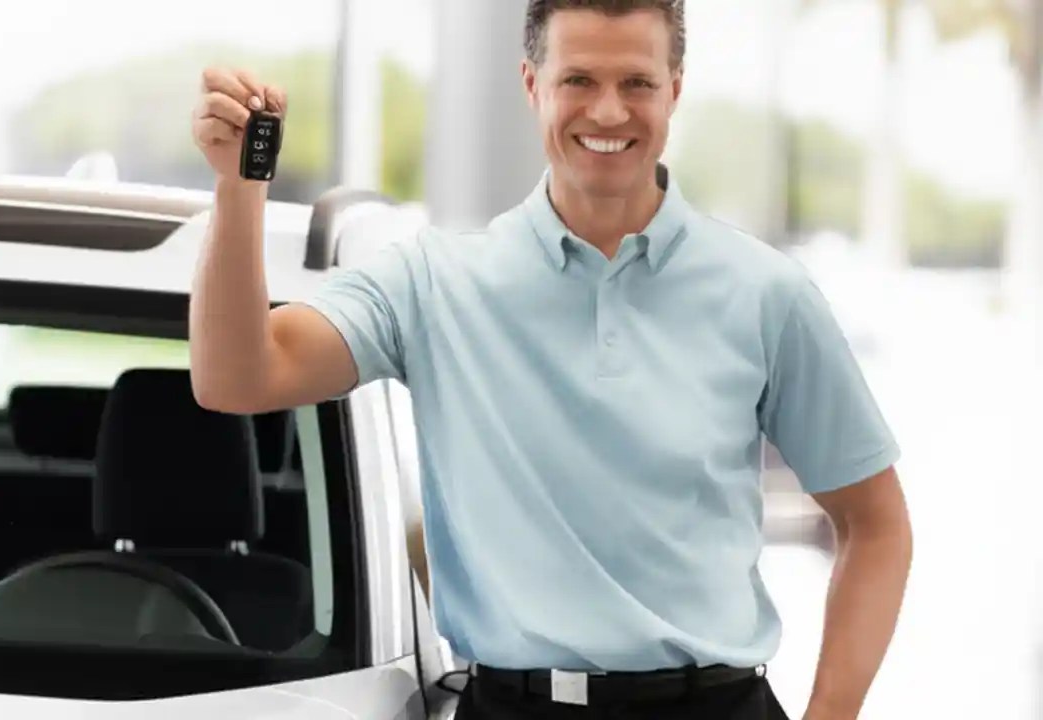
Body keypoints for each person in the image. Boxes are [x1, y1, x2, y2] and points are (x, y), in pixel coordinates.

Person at [189, 1, 914, 717]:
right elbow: (237, 376)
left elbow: (877, 526)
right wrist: (238, 187)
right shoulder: (434, 283)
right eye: (578, 81)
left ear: (676, 90)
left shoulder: (767, 293)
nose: (607, 113)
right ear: (532, 84)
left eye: (636, 83)